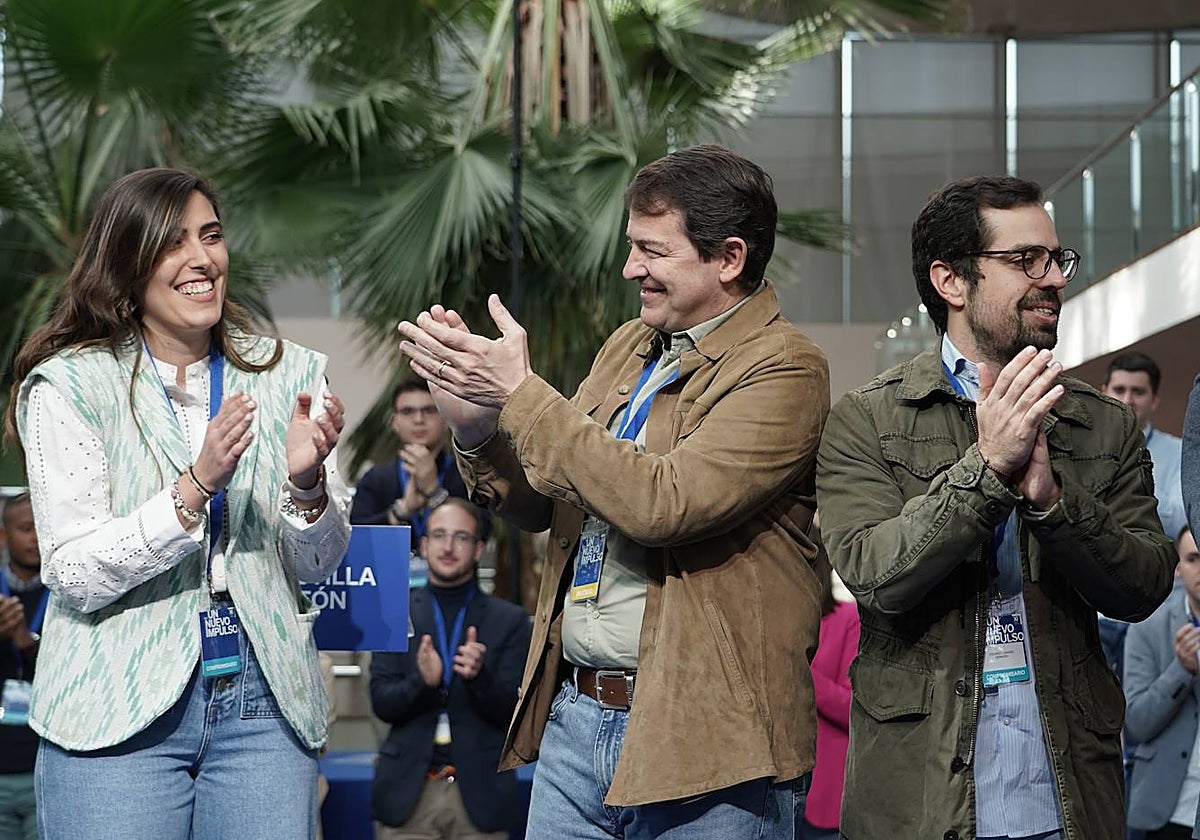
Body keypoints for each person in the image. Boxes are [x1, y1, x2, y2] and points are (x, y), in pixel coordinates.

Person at [398, 144, 831, 838]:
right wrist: (478, 428)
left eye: (652, 252)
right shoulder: (631, 345)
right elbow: (551, 497)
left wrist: (522, 394)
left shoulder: (786, 368)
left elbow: (664, 503)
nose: (632, 269)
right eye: (633, 247)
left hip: (710, 741)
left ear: (728, 258)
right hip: (576, 719)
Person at [816, 174, 1175, 840]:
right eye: (1024, 260)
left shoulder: (1103, 426)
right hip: (922, 799)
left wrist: (1052, 503)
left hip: (1066, 798)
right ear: (951, 281)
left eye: (1056, 259)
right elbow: (875, 576)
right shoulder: (866, 420)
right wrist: (987, 471)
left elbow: (1145, 584)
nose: (1054, 279)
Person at [4, 167, 352, 840]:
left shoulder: (292, 373)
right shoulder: (70, 384)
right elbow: (73, 573)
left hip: (263, 702)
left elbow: (319, 565)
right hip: (111, 704)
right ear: (126, 263)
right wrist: (194, 490)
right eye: (173, 242)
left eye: (211, 236)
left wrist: (307, 487)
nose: (201, 259)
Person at [369, 498, 530, 840]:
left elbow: (513, 715)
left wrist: (479, 677)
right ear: (424, 546)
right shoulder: (395, 614)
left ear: (478, 549)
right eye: (439, 535)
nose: (448, 546)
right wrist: (421, 682)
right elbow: (381, 703)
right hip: (409, 794)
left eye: (461, 537)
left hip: (480, 796)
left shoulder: (510, 621)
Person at [1123, 526, 1200, 840]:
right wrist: (1180, 671)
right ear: (1178, 568)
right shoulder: (1148, 629)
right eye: (1195, 558)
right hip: (1166, 810)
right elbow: (1136, 724)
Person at [350, 379, 471, 541]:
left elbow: (481, 531)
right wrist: (402, 510)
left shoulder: (468, 475)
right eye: (408, 411)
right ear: (395, 422)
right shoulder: (375, 479)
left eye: (429, 410)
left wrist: (435, 493)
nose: (419, 420)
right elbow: (355, 538)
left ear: (445, 419)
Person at [802, 559, 859, 840]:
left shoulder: (848, 618)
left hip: (828, 795)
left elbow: (853, 707)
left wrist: (803, 674)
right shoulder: (780, 627)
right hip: (781, 791)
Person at [1102, 352, 1185, 541]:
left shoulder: (1178, 452)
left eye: (1138, 392)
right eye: (1119, 390)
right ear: (1104, 393)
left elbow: (1181, 520)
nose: (1127, 400)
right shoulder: (1081, 445)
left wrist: (1124, 487)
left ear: (1154, 400)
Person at [0, 493, 42, 840]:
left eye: (42, 527)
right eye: (26, 528)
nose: (36, 539)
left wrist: (26, 643)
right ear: (3, 536)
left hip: (41, 766)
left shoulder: (67, 595)